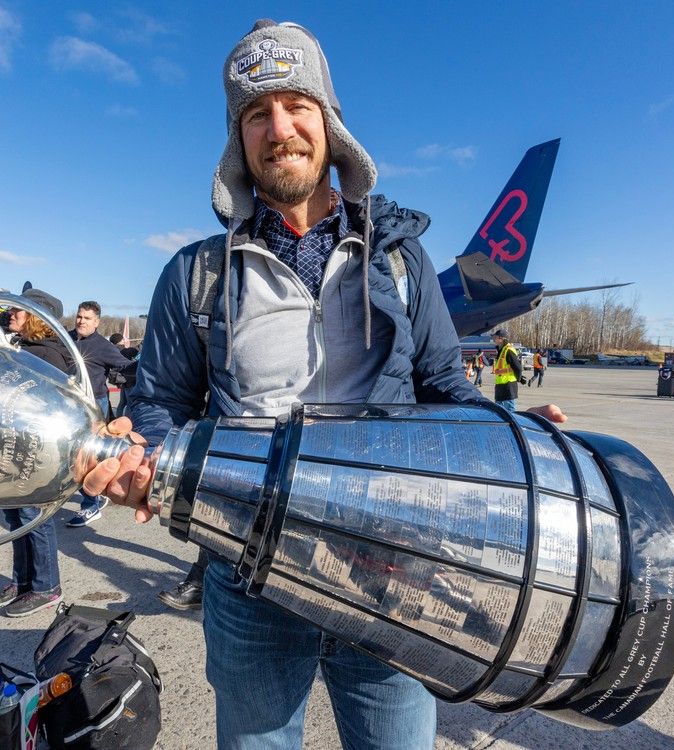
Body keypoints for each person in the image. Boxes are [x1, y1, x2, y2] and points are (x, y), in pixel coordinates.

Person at [82, 19, 565, 748]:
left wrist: (513, 437)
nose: (279, 128)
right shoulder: (196, 274)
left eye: (297, 104)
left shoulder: (402, 262)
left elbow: (443, 386)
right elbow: (159, 403)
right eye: (256, 113)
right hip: (247, 578)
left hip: (397, 574)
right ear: (238, 139)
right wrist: (140, 450)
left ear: (330, 124)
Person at [0, 287, 69, 616]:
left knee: (33, 517)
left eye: (18, 312)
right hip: (13, 445)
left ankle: (46, 586)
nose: (11, 315)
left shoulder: (46, 354)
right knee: (15, 515)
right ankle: (23, 581)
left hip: (34, 449)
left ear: (35, 317)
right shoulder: (23, 347)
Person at [66, 301, 134, 527]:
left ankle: (90, 506)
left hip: (95, 405)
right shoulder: (66, 339)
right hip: (69, 404)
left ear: (96, 322)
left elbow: (125, 366)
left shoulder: (103, 346)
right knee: (67, 454)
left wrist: (136, 370)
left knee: (87, 457)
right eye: (79, 317)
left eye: (87, 318)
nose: (81, 321)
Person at [492, 328, 524, 411]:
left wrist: (519, 378)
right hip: (500, 385)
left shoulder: (508, 350)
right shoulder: (501, 350)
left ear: (501, 338)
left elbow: (518, 367)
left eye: (495, 337)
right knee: (499, 412)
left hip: (508, 385)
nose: (493, 339)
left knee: (510, 411)